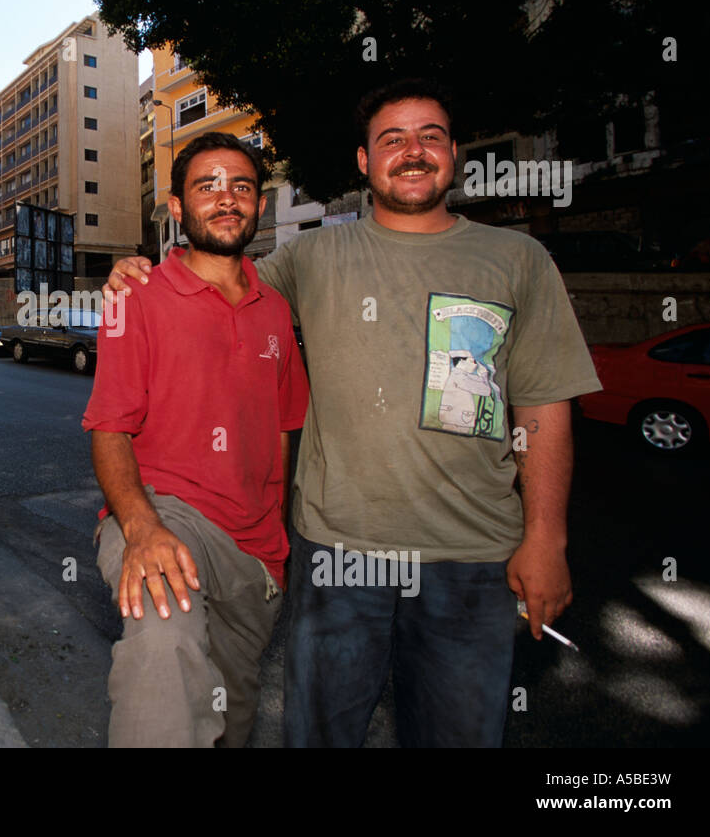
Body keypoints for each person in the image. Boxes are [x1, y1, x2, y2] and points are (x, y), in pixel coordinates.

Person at [106, 78, 602, 747]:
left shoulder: (518, 260)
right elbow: (216, 278)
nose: (413, 151)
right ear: (365, 163)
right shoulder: (310, 258)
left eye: (430, 136)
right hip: (338, 556)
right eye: (391, 139)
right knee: (317, 735)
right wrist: (134, 272)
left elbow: (543, 405)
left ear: (454, 152)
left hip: (473, 557)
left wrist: (548, 537)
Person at [83, 131, 309, 747]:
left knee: (230, 719)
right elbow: (109, 428)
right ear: (178, 209)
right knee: (163, 646)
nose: (226, 198)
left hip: (254, 555)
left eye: (241, 186)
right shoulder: (136, 297)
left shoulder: (275, 314)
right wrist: (142, 527)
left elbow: (282, 433)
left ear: (260, 203)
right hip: (165, 513)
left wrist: (278, 546)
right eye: (206, 186)